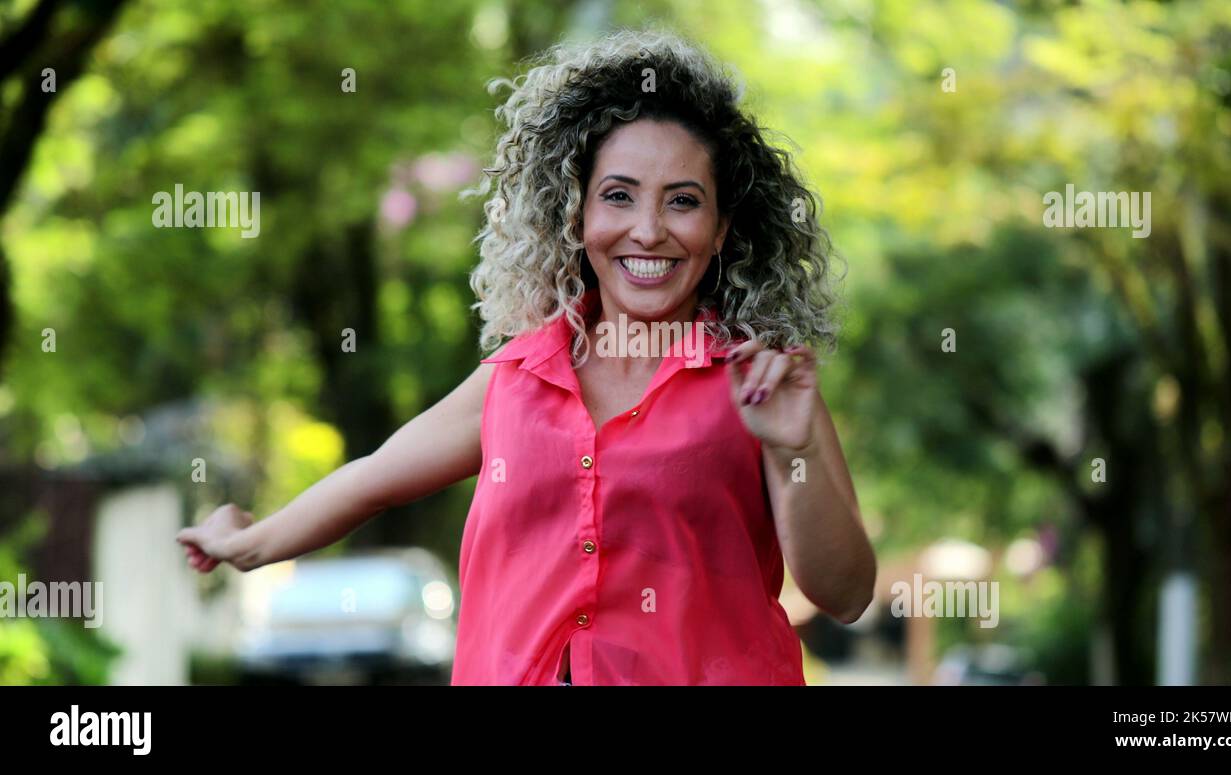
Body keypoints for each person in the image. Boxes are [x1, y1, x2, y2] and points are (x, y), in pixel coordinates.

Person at [177, 29, 876, 686]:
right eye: (618, 196)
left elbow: (844, 594)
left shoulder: (766, 385)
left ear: (722, 229)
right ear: (576, 217)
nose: (648, 229)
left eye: (683, 201)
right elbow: (371, 479)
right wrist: (251, 540)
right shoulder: (517, 376)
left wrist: (792, 453)